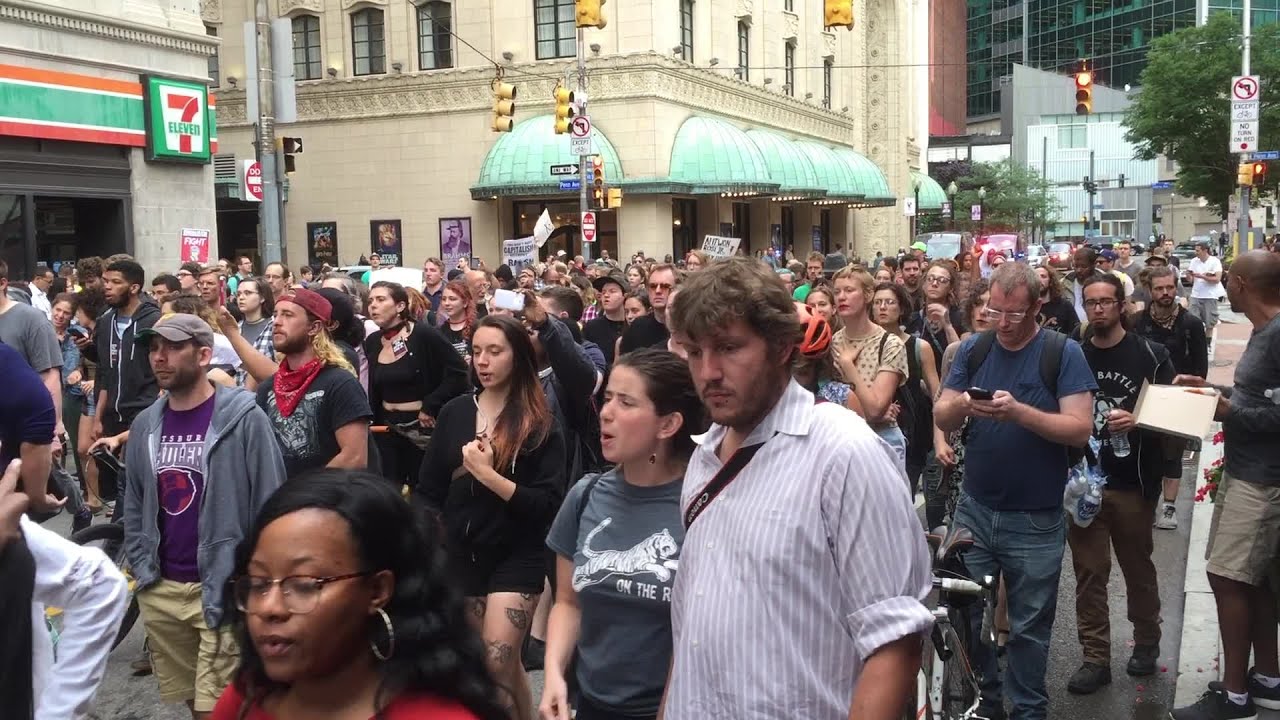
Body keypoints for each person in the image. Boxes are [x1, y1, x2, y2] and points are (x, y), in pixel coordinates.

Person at [661, 257, 931, 720]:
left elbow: (895, 641)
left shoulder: (844, 452)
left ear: (783, 347)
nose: (708, 372)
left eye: (728, 348)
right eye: (694, 351)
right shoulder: (703, 456)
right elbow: (692, 629)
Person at [933, 261, 1096, 720]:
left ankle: (1028, 709)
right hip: (975, 508)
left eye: (1014, 315)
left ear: (1038, 307)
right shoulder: (976, 348)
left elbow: (1079, 428)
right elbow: (942, 414)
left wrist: (1020, 413)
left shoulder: (1062, 353)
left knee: (1028, 628)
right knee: (966, 613)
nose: (1002, 323)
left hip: (1036, 517)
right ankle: (987, 697)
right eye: (993, 311)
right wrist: (963, 404)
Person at [211, 470, 507, 720]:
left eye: (303, 584)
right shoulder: (244, 700)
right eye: (259, 583)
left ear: (378, 590)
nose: (269, 607)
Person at [122, 314, 287, 718]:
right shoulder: (146, 423)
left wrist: (254, 579)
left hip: (220, 584)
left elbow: (271, 501)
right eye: (154, 348)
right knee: (192, 701)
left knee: (221, 707)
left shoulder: (244, 418)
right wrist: (142, 565)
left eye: (172, 347)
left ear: (203, 355)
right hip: (161, 586)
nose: (159, 357)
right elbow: (135, 499)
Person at [541, 349, 707, 720]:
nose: (606, 412)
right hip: (591, 705)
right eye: (607, 398)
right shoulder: (585, 495)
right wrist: (553, 674)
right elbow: (568, 603)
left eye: (626, 402)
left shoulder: (702, 506)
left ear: (668, 424)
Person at [417, 314, 567, 719]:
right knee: (501, 665)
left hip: (518, 554)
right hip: (460, 553)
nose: (483, 361)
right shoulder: (454, 412)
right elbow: (428, 490)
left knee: (495, 663)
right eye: (477, 351)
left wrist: (487, 475)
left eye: (495, 352)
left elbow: (546, 505)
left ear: (518, 357)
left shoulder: (540, 422)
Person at [1170, 250, 1280, 720]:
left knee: (1228, 576)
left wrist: (1227, 411)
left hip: (1263, 481)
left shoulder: (1277, 336)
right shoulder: (1264, 332)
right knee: (1252, 579)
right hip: (1245, 470)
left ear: (1237, 284)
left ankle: (1235, 697)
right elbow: (1260, 397)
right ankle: (1269, 679)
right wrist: (1215, 392)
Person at [1065, 274, 1172, 695]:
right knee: (1089, 573)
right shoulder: (1073, 356)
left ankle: (1146, 642)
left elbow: (1174, 414)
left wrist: (1138, 421)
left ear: (1122, 305)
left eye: (1106, 302)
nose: (1098, 310)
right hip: (1084, 484)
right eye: (1091, 302)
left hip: (1132, 483)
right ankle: (1095, 658)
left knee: (1137, 568)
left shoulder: (1150, 354)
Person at [256, 289, 373, 477]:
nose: (276, 322)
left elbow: (354, 458)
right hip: (280, 500)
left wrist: (302, 493)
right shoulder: (268, 388)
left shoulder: (340, 383)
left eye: (288, 315)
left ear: (314, 327)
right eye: (275, 314)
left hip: (327, 500)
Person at [364, 281, 469, 489]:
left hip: (421, 429)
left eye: (380, 299)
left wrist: (431, 405)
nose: (373, 306)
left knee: (423, 488)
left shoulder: (423, 335)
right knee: (389, 488)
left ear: (400, 306)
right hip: (386, 428)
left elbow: (458, 373)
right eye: (370, 301)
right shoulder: (373, 341)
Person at [1131, 265, 1208, 530]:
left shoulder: (1191, 323)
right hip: (1145, 397)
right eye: (1159, 288)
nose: (1165, 293)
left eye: (1170, 287)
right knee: (1146, 452)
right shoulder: (1137, 322)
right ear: (1150, 291)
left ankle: (1170, 507)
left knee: (1172, 455)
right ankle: (1147, 504)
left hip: (1178, 398)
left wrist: (1193, 398)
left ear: (1176, 288)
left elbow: (1200, 368)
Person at [89, 259, 162, 473]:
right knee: (114, 477)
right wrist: (98, 417)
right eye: (105, 281)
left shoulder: (154, 320)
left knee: (140, 474)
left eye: (115, 282)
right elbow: (103, 372)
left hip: (144, 408)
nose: (107, 286)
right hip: (112, 413)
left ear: (134, 288)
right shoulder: (105, 321)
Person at [830, 265, 909, 462]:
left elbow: (875, 409)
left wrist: (848, 366)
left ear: (867, 295)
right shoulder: (832, 342)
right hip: (841, 439)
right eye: (837, 292)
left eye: (849, 290)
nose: (841, 297)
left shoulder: (891, 344)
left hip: (881, 440)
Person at [0, 259, 64, 437]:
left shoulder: (31, 319)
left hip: (23, 429)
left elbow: (50, 376)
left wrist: (54, 427)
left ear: (2, 283)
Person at [619, 264, 679, 354]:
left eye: (665, 286)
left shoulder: (686, 328)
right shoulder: (637, 327)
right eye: (653, 286)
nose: (658, 291)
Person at [234, 277, 276, 388]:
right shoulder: (235, 328)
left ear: (262, 297)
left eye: (247, 293)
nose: (241, 298)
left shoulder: (274, 327)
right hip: (235, 395)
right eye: (238, 294)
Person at [582, 273, 628, 368]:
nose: (606, 295)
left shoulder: (633, 325)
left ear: (625, 296)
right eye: (603, 292)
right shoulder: (592, 327)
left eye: (612, 291)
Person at [1186, 241, 1224, 333]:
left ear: (1205, 250)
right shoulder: (1194, 261)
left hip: (1210, 296)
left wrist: (1202, 276)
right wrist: (1188, 276)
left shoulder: (1215, 261)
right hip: (1195, 295)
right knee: (1193, 321)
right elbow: (1191, 280)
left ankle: (1208, 343)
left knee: (1209, 323)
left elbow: (1217, 279)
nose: (1196, 253)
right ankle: (1197, 342)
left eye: (1198, 251)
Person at [439, 280, 479, 364]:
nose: (446, 303)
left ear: (465, 302)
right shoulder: (439, 331)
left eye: (452, 299)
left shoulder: (477, 328)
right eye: (443, 299)